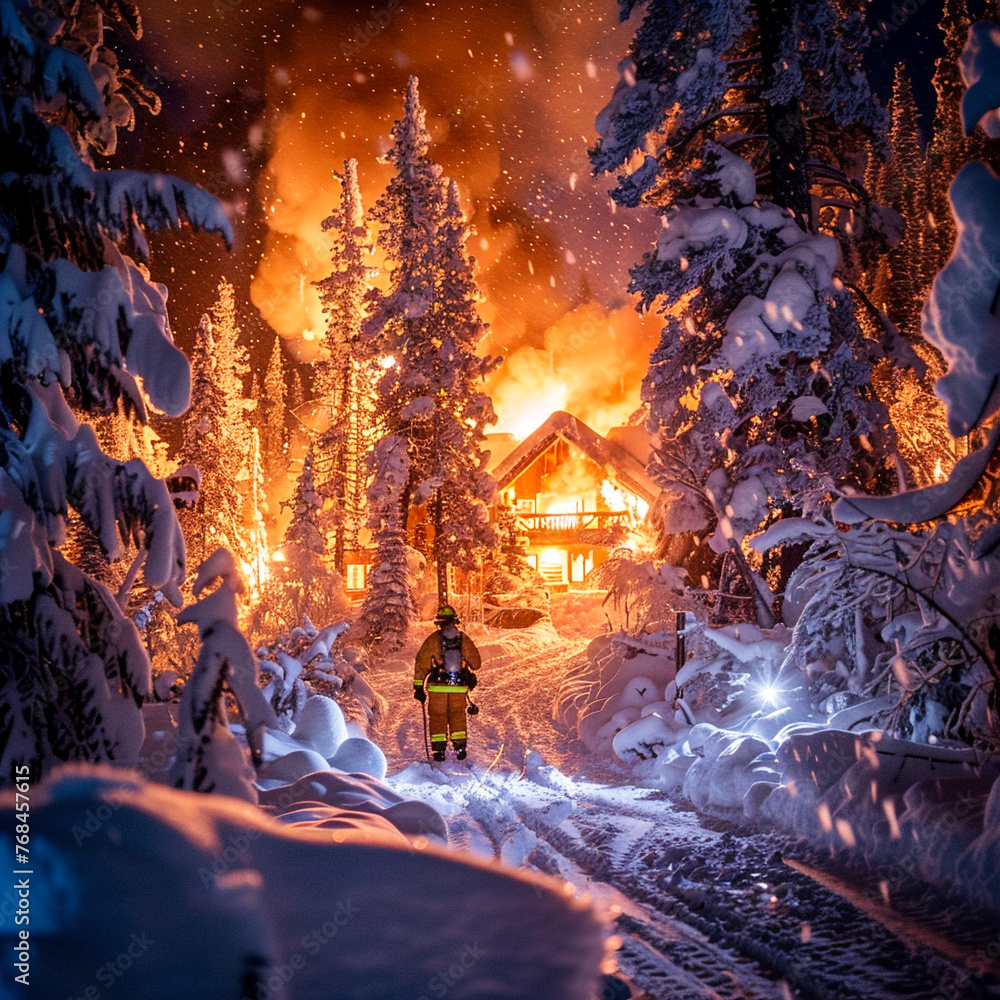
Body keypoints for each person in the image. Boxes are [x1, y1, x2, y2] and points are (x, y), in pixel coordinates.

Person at [413, 605, 481, 761]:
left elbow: (421, 663)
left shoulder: (432, 640)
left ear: (439, 622)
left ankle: (439, 750)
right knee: (457, 715)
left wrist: (418, 686)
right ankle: (459, 746)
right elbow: (476, 663)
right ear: (455, 620)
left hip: (437, 687)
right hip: (458, 687)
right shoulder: (463, 639)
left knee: (437, 716)